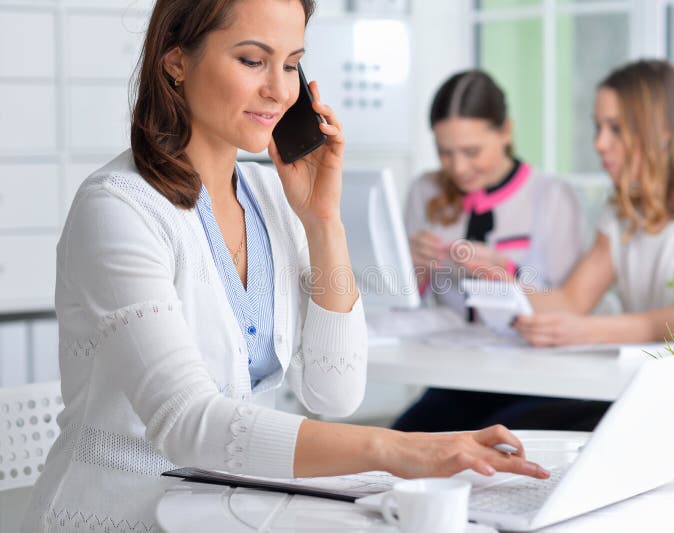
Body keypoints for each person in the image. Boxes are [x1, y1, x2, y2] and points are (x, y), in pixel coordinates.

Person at [22, 2, 548, 531]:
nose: (280, 90)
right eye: (253, 60)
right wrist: (399, 448)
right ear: (176, 62)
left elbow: (334, 390)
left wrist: (324, 223)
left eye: (292, 63)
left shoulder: (271, 196)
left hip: (228, 516)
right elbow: (185, 422)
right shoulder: (119, 207)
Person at [510, 59, 674, 453]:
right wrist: (503, 284)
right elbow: (572, 301)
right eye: (598, 126)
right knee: (517, 431)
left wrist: (592, 331)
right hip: (650, 396)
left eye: (616, 128)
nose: (599, 143)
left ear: (663, 131)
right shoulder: (622, 211)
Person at [392, 69, 584, 432]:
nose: (459, 167)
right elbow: (405, 306)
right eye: (445, 153)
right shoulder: (424, 192)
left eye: (471, 151)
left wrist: (508, 275)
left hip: (540, 383)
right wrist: (412, 268)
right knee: (394, 446)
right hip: (456, 380)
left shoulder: (554, 198)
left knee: (488, 445)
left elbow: (570, 307)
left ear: (506, 131)